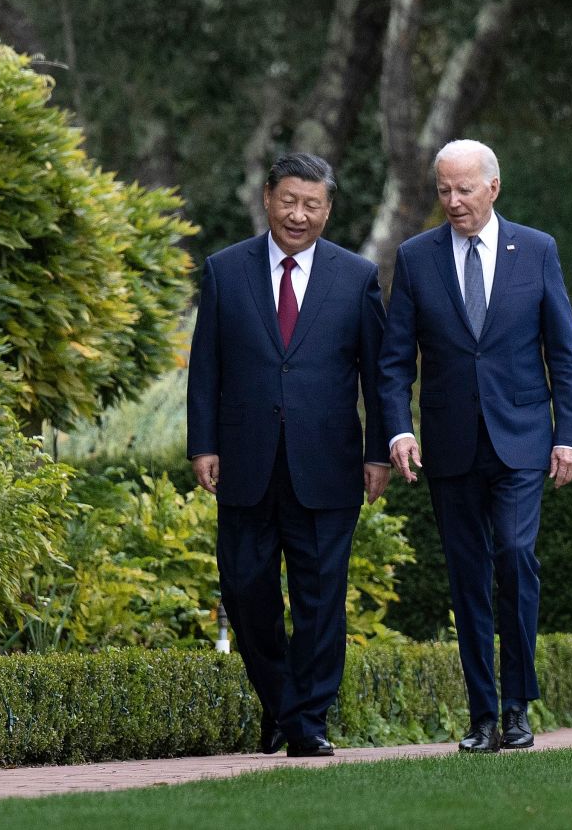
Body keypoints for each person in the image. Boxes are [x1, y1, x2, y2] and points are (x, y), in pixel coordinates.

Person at [378, 139, 572, 753]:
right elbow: (395, 361)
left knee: (516, 557)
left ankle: (518, 706)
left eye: (464, 189)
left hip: (522, 440)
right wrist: (399, 427)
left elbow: (564, 355)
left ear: (494, 187)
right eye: (443, 190)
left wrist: (570, 435)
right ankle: (482, 716)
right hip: (450, 445)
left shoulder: (537, 250)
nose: (453, 201)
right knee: (467, 577)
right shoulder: (416, 258)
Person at [187, 152, 390, 758]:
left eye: (312, 204)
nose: (298, 214)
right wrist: (203, 444)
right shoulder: (225, 271)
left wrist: (378, 451)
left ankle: (307, 724)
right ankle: (281, 703)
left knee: (321, 596)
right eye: (288, 201)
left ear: (328, 209)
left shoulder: (356, 277)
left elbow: (377, 377)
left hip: (327, 464)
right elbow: (206, 368)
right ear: (268, 198)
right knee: (246, 591)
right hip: (246, 463)